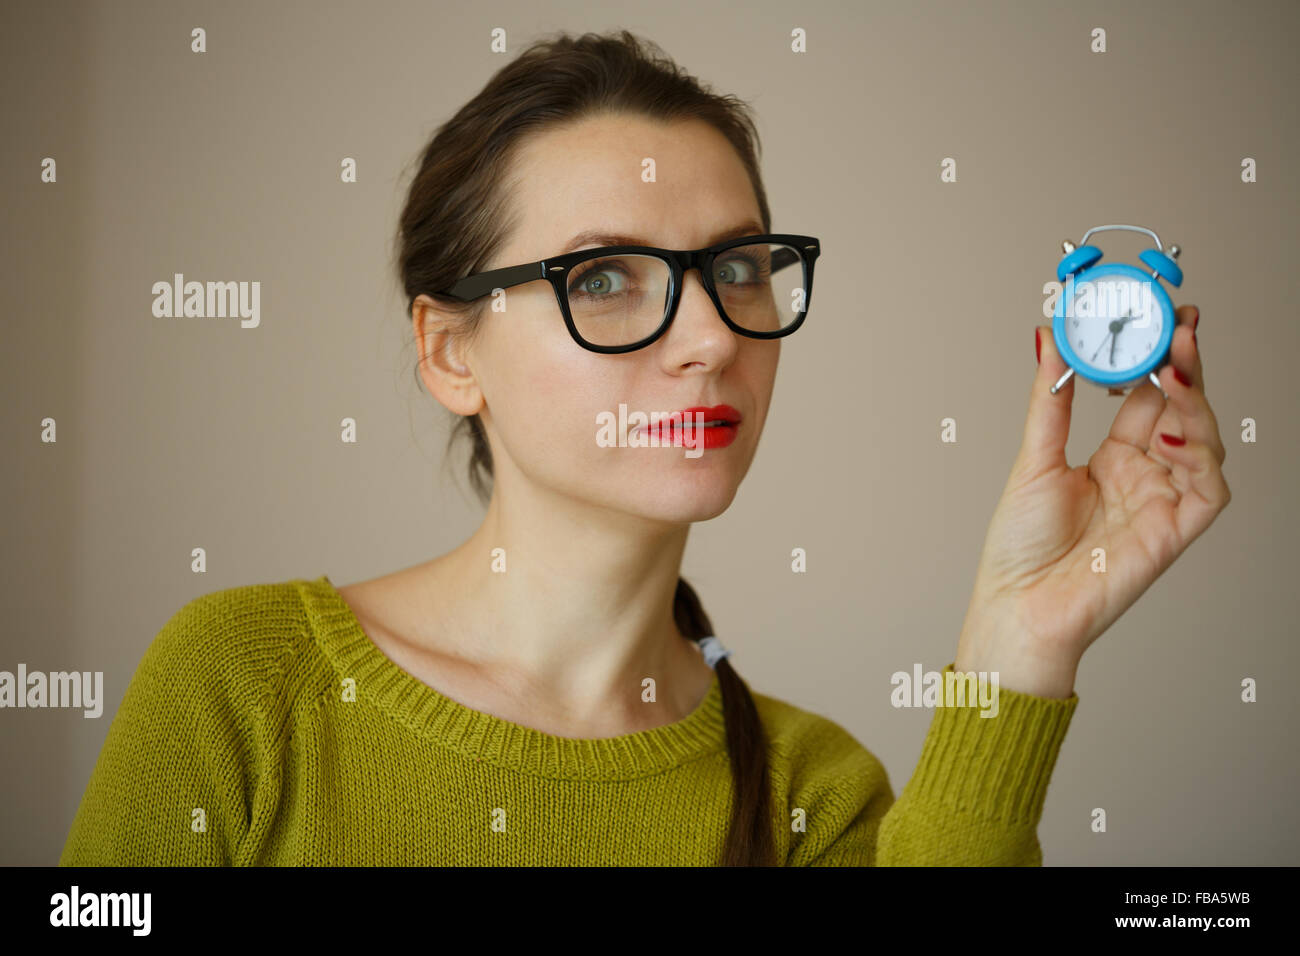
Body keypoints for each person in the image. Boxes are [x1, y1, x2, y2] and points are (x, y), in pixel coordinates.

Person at [60, 29, 1229, 867]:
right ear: (448, 348)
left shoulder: (815, 796)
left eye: (735, 266)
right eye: (605, 277)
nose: (713, 335)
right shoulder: (243, 687)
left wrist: (1019, 640)